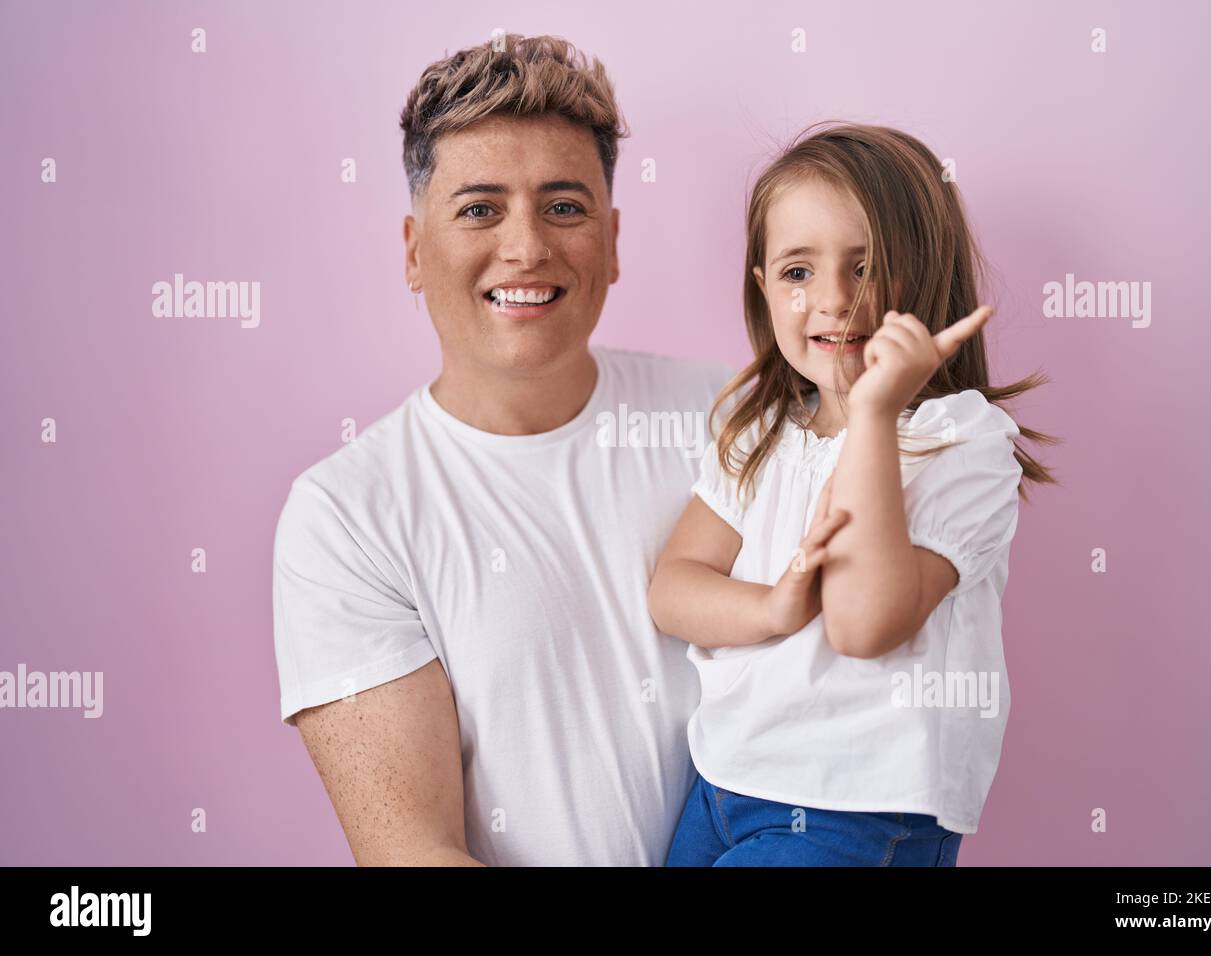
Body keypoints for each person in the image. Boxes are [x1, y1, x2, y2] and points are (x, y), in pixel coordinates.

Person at [271, 34, 731, 866]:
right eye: (480, 208)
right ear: (415, 250)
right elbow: (411, 850)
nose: (527, 248)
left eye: (565, 206)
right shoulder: (346, 517)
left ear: (614, 239)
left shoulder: (732, 418)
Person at [649, 123, 1058, 866]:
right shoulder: (760, 429)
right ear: (763, 286)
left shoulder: (962, 442)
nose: (834, 300)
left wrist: (870, 413)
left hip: (858, 806)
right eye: (798, 273)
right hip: (724, 781)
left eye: (867, 268)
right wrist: (771, 606)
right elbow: (674, 588)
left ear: (928, 276)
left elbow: (864, 626)